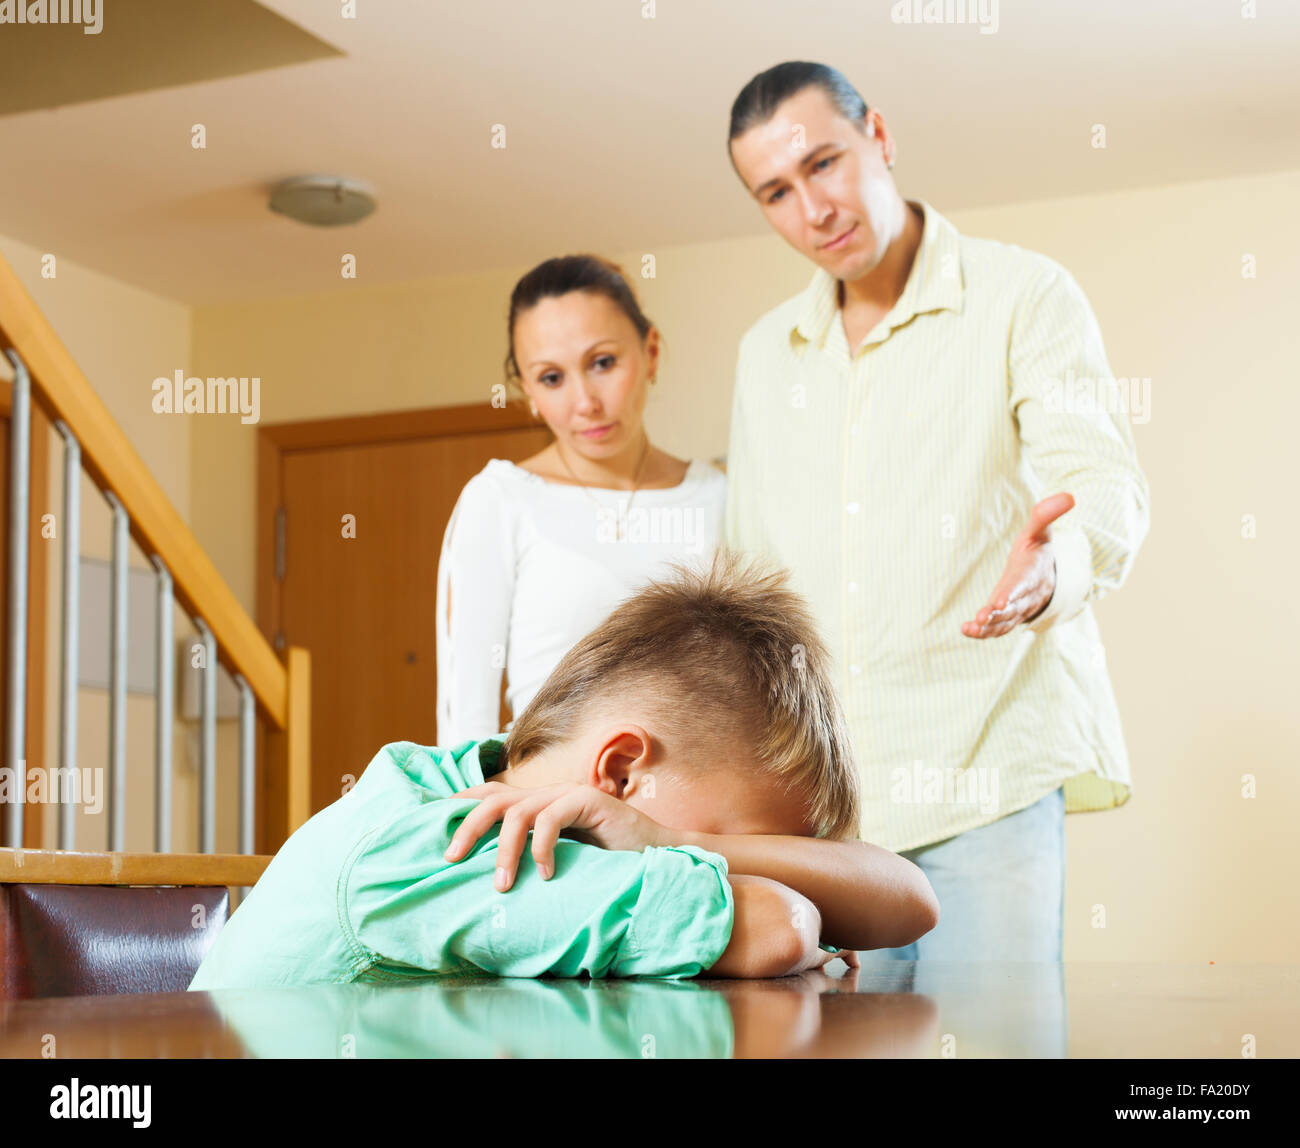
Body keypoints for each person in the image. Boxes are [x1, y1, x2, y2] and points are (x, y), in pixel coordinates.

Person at [724, 62, 1150, 963]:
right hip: (825, 807)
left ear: (878, 135)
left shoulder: (1023, 296)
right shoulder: (767, 355)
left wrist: (1053, 567)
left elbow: (1105, 484)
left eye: (826, 164)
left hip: (986, 775)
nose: (815, 209)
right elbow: (746, 569)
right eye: (777, 192)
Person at [188, 550, 939, 990]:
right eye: (723, 846)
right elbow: (781, 928)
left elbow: (909, 900)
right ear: (618, 770)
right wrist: (772, 897)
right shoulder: (447, 844)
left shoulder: (488, 776)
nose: (773, 873)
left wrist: (661, 839)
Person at [435, 254, 727, 748]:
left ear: (651, 352)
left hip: (695, 810)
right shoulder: (501, 500)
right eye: (552, 378)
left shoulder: (717, 496)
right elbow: (464, 725)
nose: (585, 402)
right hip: (547, 811)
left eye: (603, 363)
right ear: (527, 390)